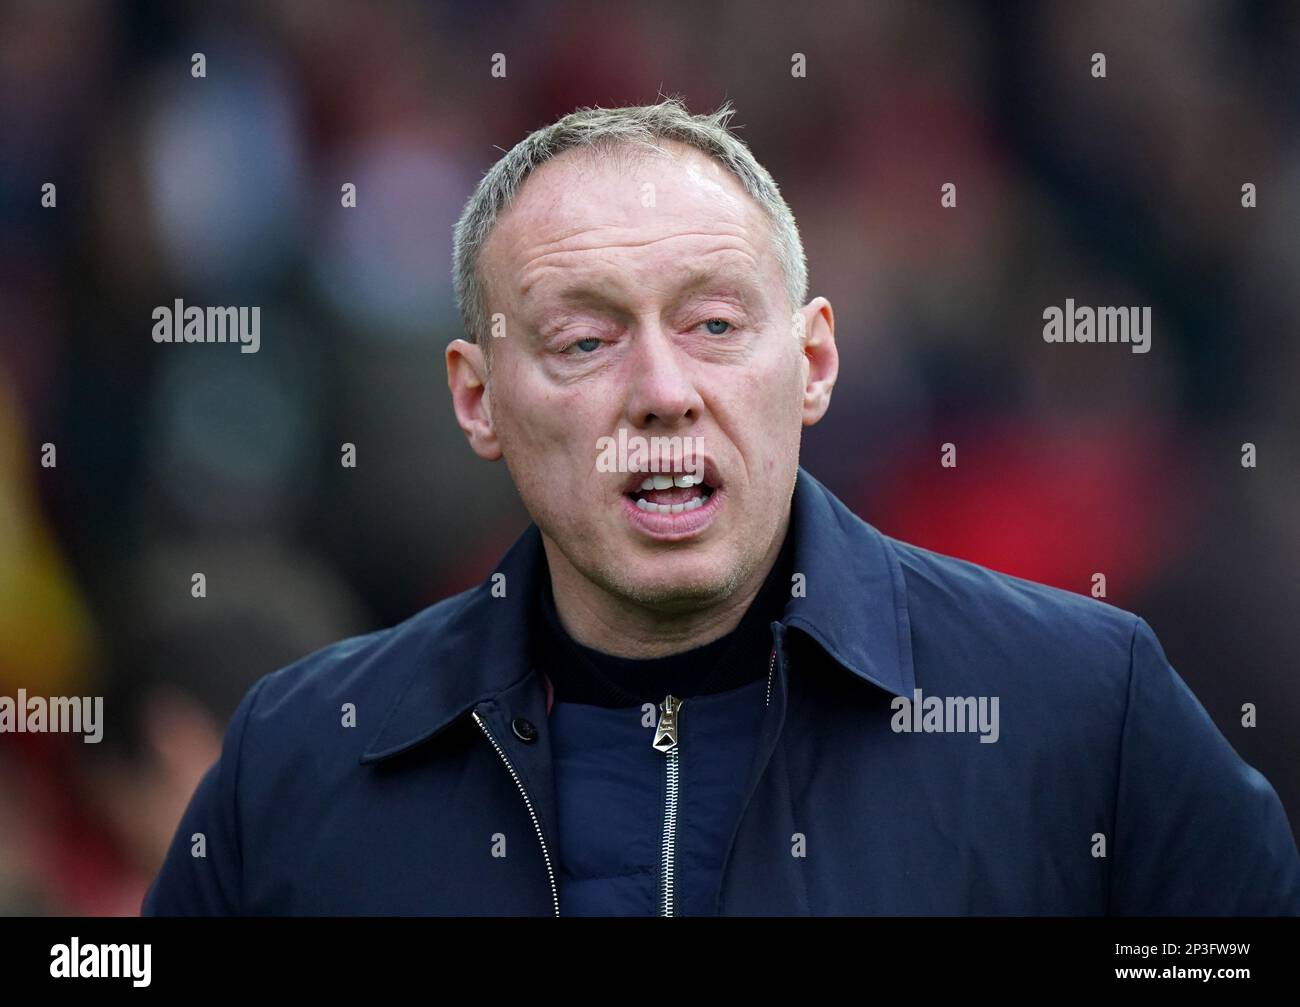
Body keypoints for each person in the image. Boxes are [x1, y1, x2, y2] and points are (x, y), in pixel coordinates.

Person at [142, 99, 1300, 916]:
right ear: (477, 397)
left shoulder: (1086, 712)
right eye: (585, 339)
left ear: (812, 363)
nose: (659, 389)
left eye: (713, 325)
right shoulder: (297, 760)